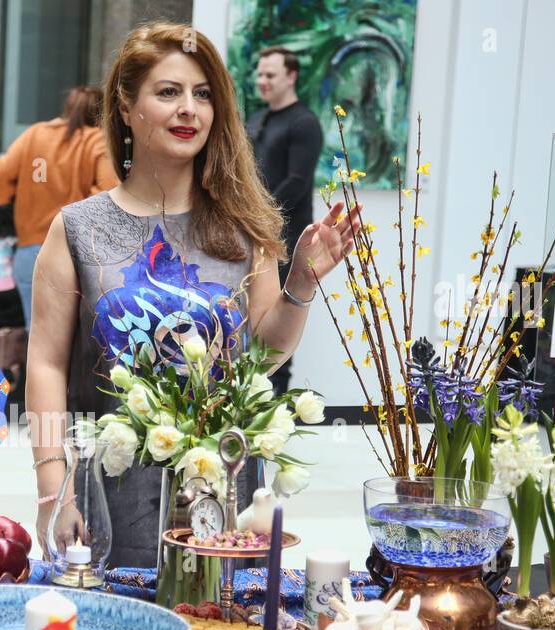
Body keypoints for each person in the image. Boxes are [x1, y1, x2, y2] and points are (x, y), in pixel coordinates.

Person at [27, 22, 360, 567]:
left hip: (221, 495)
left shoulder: (242, 227)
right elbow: (44, 364)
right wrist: (50, 489)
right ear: (127, 108)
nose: (190, 109)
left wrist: (300, 284)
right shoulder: (77, 228)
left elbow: (263, 357)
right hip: (106, 500)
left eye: (202, 95)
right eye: (168, 92)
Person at [0, 86, 117, 328]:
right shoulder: (99, 141)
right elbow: (109, 196)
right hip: (75, 256)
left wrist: (9, 197)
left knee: (36, 335)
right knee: (76, 341)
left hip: (29, 252)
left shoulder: (35, 134)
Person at [245, 46, 323, 394]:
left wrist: (254, 215)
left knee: (278, 324)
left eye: (270, 75)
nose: (262, 81)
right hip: (250, 237)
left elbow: (296, 182)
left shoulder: (305, 123)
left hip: (285, 243)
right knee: (247, 324)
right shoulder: (257, 119)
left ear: (291, 76)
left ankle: (272, 421)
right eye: (260, 74)